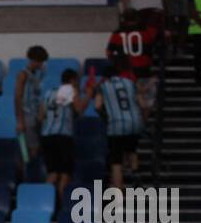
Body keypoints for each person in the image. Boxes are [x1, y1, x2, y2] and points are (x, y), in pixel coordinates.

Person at [95, 54, 147, 188]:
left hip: (116, 125)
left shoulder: (103, 86)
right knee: (132, 149)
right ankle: (136, 174)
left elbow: (97, 106)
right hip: (134, 122)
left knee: (116, 160)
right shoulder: (130, 83)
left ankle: (118, 190)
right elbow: (142, 104)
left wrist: (105, 116)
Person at [39, 68, 88, 197]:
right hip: (63, 136)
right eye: (77, 81)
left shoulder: (49, 93)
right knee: (65, 173)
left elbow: (41, 115)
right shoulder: (71, 90)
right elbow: (80, 109)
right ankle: (61, 204)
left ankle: (45, 201)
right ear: (72, 80)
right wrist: (88, 94)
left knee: (52, 173)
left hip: (47, 135)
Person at [14, 45, 48, 174]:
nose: (41, 65)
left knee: (35, 147)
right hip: (26, 116)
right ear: (33, 60)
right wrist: (20, 120)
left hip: (35, 116)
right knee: (28, 149)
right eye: (40, 62)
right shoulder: (23, 75)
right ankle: (25, 175)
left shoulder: (37, 75)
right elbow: (17, 98)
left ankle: (30, 173)